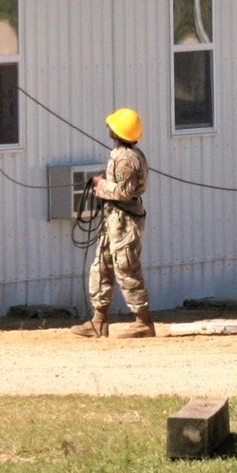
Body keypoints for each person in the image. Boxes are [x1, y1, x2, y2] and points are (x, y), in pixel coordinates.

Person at [71, 108, 154, 339]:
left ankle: (143, 322)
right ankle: (98, 321)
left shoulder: (126, 158)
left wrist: (101, 184)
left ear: (117, 131)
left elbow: (124, 192)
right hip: (114, 219)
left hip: (124, 221)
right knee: (102, 267)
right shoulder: (123, 154)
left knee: (127, 267)